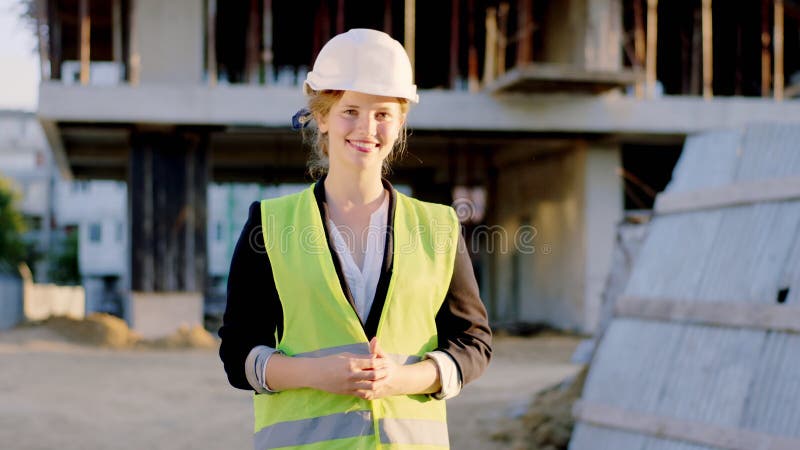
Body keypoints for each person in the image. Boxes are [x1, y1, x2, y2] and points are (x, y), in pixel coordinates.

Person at [218, 28, 492, 450]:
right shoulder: (269, 224)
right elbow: (238, 354)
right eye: (351, 110)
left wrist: (403, 379)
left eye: (383, 113)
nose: (367, 127)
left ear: (400, 124)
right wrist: (317, 374)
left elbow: (473, 342)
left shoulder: (439, 227)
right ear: (323, 116)